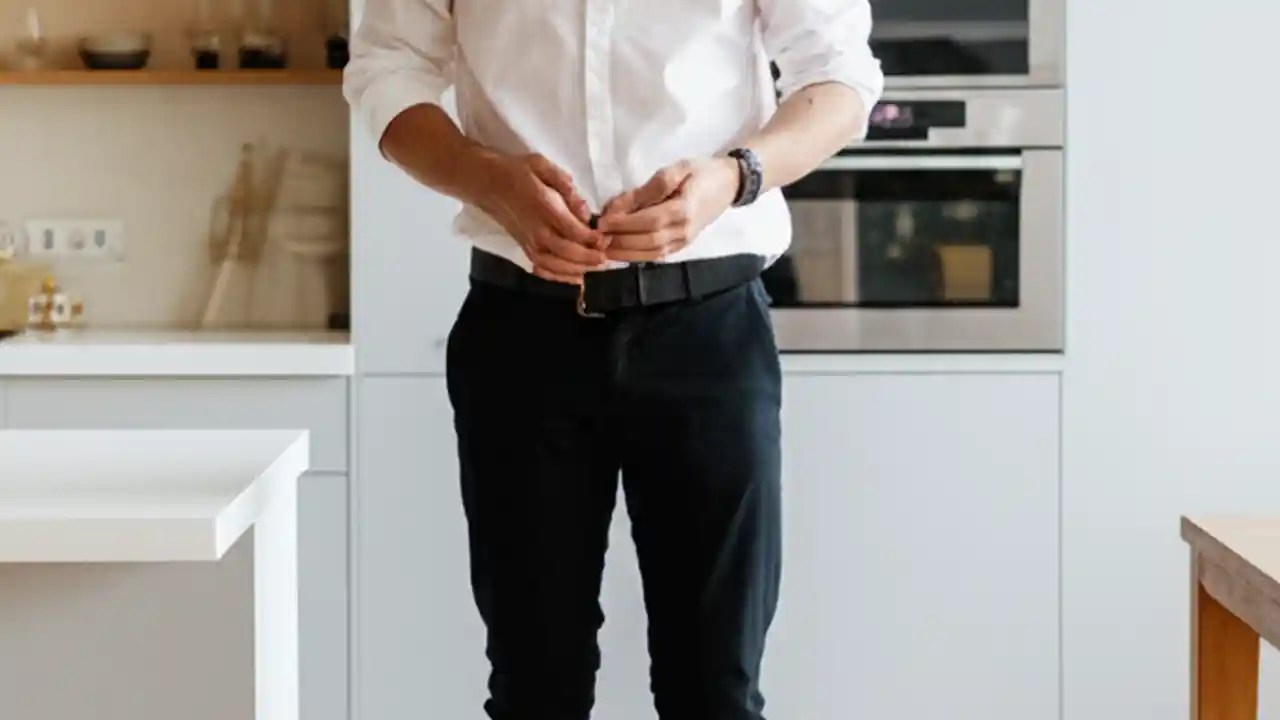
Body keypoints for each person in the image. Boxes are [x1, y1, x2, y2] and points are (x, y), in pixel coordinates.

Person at [344, 1, 883, 717]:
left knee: (715, 690)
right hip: (521, 333)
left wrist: (734, 177)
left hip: (708, 332)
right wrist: (484, 177)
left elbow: (839, 75)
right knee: (534, 686)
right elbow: (387, 69)